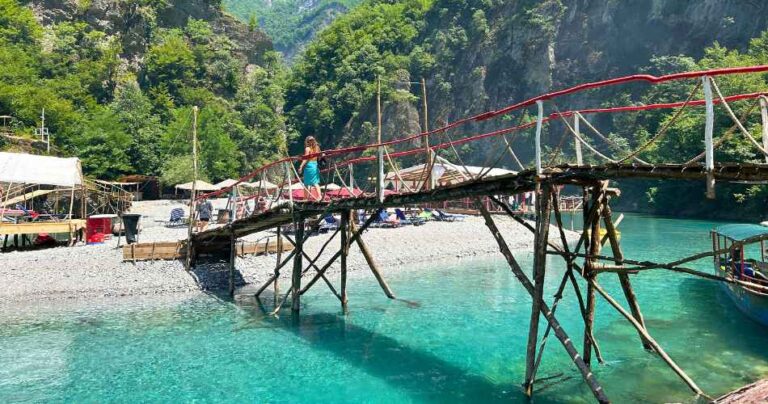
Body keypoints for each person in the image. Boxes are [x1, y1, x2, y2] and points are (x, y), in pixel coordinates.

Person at [298, 135, 322, 201]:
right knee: (315, 182)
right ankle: (319, 196)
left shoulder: (307, 149)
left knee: (306, 183)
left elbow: (305, 159)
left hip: (309, 166)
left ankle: (305, 198)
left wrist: (301, 166)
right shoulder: (317, 148)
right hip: (315, 165)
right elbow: (320, 156)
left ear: (307, 142)